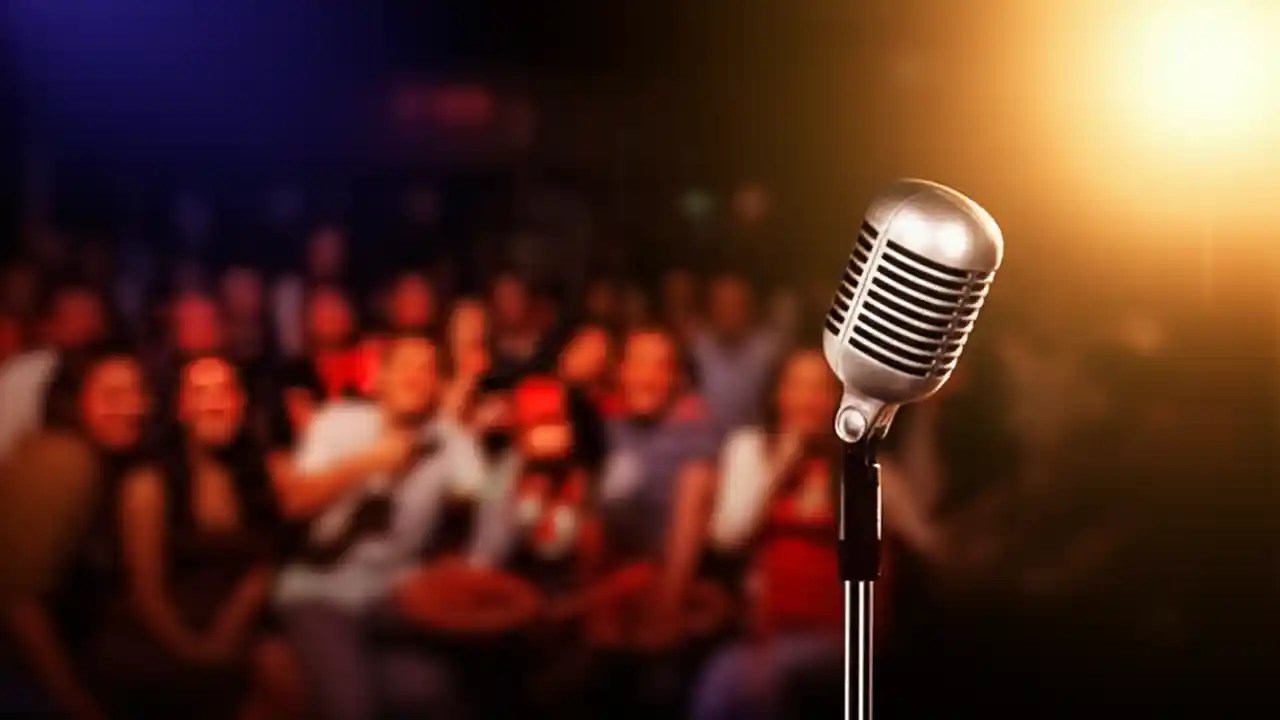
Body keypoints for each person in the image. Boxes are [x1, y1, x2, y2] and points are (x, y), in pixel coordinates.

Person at [271, 331, 484, 720]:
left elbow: (484, 502)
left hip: (393, 595)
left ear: (437, 385)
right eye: (404, 366)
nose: (415, 376)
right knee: (352, 708)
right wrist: (370, 462)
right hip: (322, 590)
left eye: (426, 369)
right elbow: (295, 504)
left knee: (435, 689)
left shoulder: (451, 441)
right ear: (380, 377)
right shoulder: (338, 422)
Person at [102, 355, 301, 719]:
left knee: (289, 683)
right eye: (200, 392)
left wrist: (232, 627)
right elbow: (147, 595)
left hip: (233, 626)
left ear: (240, 403)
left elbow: (268, 562)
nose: (214, 403)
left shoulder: (258, 473)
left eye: (224, 391)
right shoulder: (149, 483)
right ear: (181, 408)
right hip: (162, 635)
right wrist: (197, 653)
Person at [694, 347, 844, 720]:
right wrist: (780, 468)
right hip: (766, 628)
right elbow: (729, 536)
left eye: (820, 388)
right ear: (778, 394)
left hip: (834, 633)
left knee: (749, 681)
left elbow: (907, 543)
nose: (808, 400)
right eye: (797, 386)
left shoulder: (857, 463)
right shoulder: (751, 448)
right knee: (725, 683)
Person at [0, 346, 149, 720]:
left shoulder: (95, 457)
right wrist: (76, 702)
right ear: (73, 400)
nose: (132, 407)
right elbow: (17, 599)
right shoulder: (65, 460)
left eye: (137, 392)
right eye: (112, 396)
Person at [596, 327, 719, 648]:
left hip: (664, 586)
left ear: (676, 378)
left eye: (660, 366)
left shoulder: (693, 432)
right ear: (621, 371)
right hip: (611, 585)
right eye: (638, 364)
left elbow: (688, 526)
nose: (646, 377)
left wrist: (668, 606)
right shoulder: (611, 426)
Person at [0, 280, 109, 460]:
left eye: (93, 316)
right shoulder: (26, 374)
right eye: (76, 317)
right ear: (51, 326)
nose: (87, 327)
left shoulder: (115, 368)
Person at [689, 272, 785, 437]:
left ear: (749, 309)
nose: (728, 312)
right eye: (721, 305)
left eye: (735, 305)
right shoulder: (697, 349)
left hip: (753, 441)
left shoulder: (769, 353)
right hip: (701, 440)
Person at [273, 224, 349, 359]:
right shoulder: (290, 292)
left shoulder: (346, 290)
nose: (328, 258)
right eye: (321, 250)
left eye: (334, 250)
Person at [383, 269, 438, 335]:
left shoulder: (439, 343)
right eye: (406, 293)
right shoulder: (376, 343)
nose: (414, 303)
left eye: (418, 293)